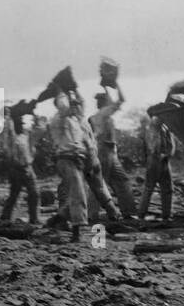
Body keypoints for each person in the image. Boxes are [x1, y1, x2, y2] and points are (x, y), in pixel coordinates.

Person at [50, 89, 94, 243]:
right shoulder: (59, 118)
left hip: (77, 159)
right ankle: (76, 232)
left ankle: (59, 217)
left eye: (76, 104)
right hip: (66, 158)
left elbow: (81, 104)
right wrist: (63, 91)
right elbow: (63, 105)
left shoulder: (76, 120)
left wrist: (74, 91)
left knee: (79, 193)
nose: (74, 105)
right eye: (71, 104)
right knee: (77, 194)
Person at [90, 84, 138, 219]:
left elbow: (115, 102)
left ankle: (128, 212)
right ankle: (91, 214)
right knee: (100, 183)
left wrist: (106, 88)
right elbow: (121, 100)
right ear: (105, 103)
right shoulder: (104, 113)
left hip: (109, 151)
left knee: (121, 180)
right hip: (103, 150)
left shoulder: (100, 115)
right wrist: (116, 84)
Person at [0, 102, 39, 224]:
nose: (21, 125)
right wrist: (8, 116)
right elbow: (6, 137)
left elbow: (40, 128)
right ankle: (5, 217)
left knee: (34, 193)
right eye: (19, 123)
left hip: (28, 167)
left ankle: (34, 218)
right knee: (14, 194)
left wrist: (34, 115)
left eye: (22, 123)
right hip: (16, 168)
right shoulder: (11, 137)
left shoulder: (25, 135)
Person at [138, 112, 176, 221]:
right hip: (161, 160)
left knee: (148, 188)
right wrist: (167, 155)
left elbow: (145, 148)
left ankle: (141, 214)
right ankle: (166, 215)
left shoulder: (148, 128)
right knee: (167, 189)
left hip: (151, 161)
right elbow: (170, 147)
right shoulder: (163, 128)